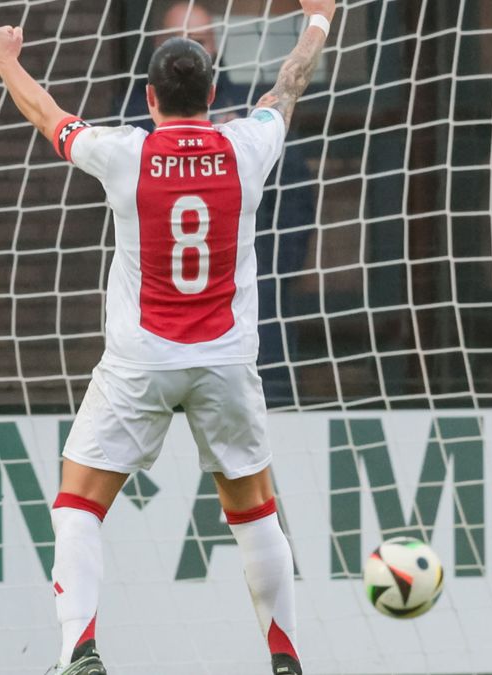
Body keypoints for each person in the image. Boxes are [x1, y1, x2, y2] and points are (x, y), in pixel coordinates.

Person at [0, 0, 335, 672]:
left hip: (141, 360)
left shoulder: (126, 152)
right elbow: (287, 86)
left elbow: (48, 116)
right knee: (255, 511)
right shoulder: (247, 144)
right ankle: (285, 656)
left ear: (149, 98)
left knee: (78, 503)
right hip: (225, 360)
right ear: (214, 93)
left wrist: (6, 59)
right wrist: (318, 21)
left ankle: (79, 649)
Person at [118, 2, 315, 404]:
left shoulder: (248, 111)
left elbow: (297, 192)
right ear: (156, 46)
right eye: (177, 40)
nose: (189, 51)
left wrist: (276, 268)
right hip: (158, 300)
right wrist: (321, 21)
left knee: (264, 397)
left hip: (247, 289)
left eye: (199, 40)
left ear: (216, 47)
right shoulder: (134, 117)